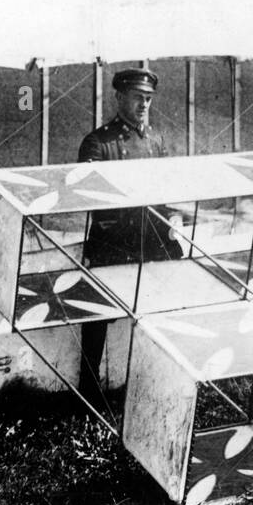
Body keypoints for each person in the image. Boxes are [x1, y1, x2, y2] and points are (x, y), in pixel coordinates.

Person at [76, 67, 177, 403]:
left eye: (148, 99)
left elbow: (164, 193)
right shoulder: (98, 143)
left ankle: (157, 384)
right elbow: (92, 198)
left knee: (160, 313)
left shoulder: (158, 141)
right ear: (119, 98)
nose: (143, 105)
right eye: (137, 98)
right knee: (96, 318)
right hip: (113, 244)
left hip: (151, 241)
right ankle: (89, 395)